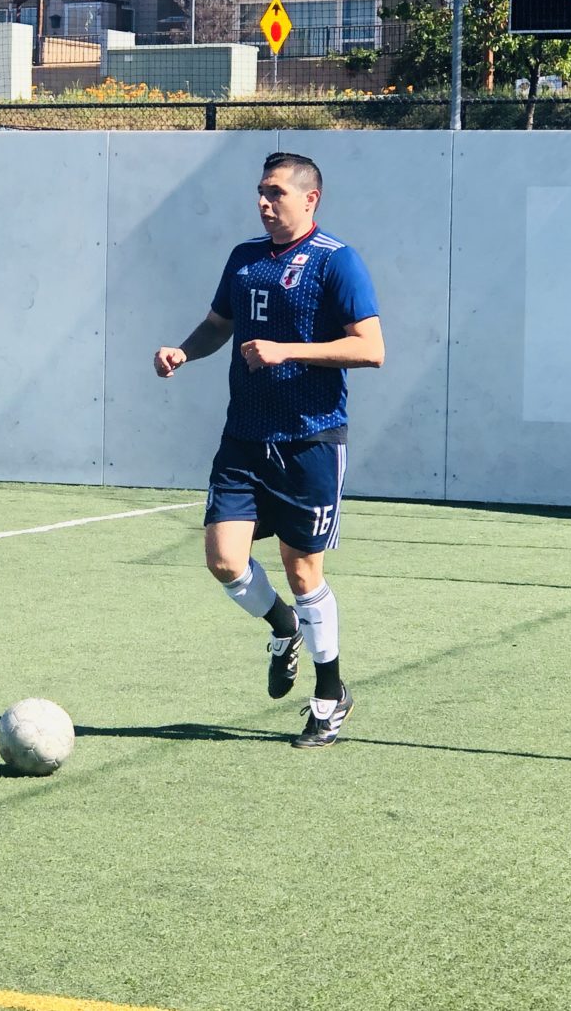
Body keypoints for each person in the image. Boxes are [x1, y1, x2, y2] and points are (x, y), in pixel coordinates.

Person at [153, 151, 384, 748]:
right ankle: (283, 626)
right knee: (224, 560)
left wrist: (288, 351)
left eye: (276, 192)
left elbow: (371, 349)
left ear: (310, 198)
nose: (263, 201)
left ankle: (330, 695)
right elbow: (217, 324)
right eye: (260, 190)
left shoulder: (337, 260)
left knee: (302, 570)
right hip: (245, 438)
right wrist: (183, 351)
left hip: (311, 441)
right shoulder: (244, 257)